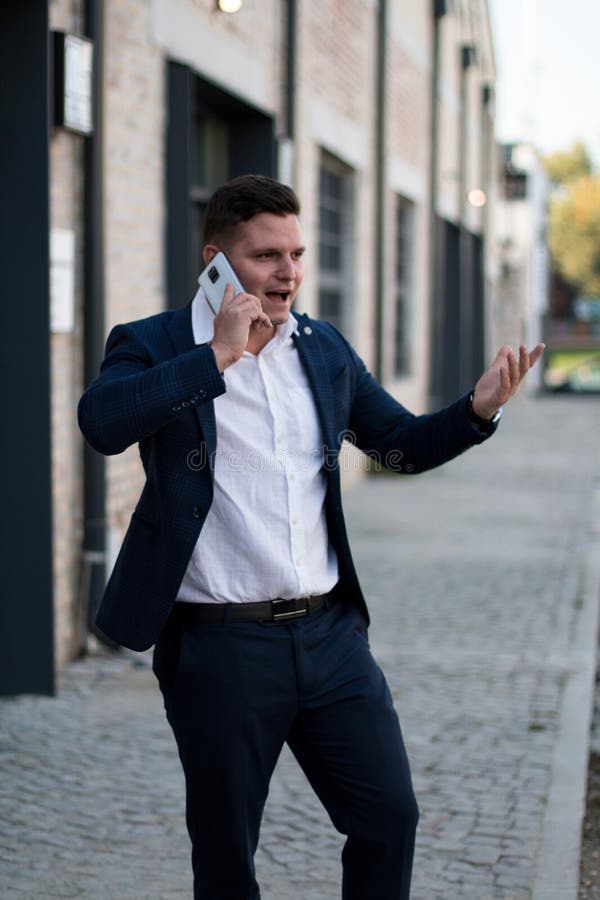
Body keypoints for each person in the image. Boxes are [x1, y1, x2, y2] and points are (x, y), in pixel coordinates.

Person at [78, 174, 544, 900]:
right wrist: (216, 357)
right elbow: (102, 424)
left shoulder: (321, 351)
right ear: (216, 261)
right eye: (267, 255)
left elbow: (399, 447)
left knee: (389, 817)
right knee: (228, 858)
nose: (289, 271)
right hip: (220, 647)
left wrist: (476, 412)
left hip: (331, 640)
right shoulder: (154, 343)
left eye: (295, 253)